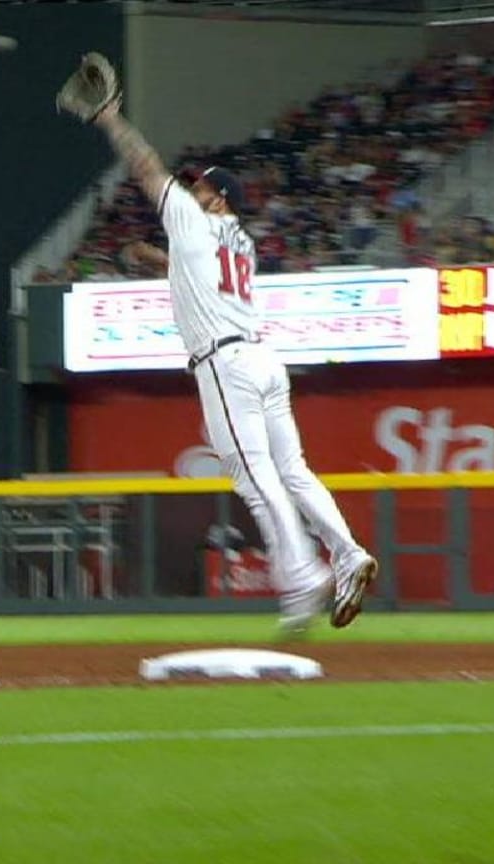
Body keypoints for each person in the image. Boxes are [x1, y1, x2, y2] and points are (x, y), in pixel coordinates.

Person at [84, 96, 378, 637]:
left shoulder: (196, 223)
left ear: (217, 198)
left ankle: (303, 581)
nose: (191, 190)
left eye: (200, 186)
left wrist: (110, 119)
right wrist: (154, 260)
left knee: (254, 476)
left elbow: (147, 168)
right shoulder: (242, 244)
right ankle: (348, 553)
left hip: (226, 364)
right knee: (294, 471)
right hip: (264, 359)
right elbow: (197, 271)